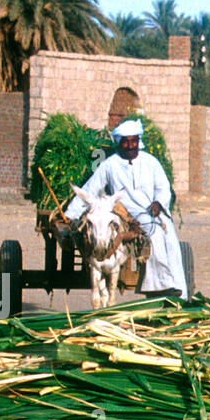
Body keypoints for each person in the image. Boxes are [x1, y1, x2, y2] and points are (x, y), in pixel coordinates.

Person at [66, 118, 189, 297]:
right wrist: (70, 214)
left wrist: (158, 203)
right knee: (154, 234)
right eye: (125, 141)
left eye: (133, 141)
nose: (130, 145)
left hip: (153, 212)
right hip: (128, 214)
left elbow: (163, 188)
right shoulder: (110, 165)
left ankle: (176, 289)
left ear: (139, 142)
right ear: (119, 143)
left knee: (169, 237)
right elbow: (90, 189)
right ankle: (160, 286)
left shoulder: (151, 162)